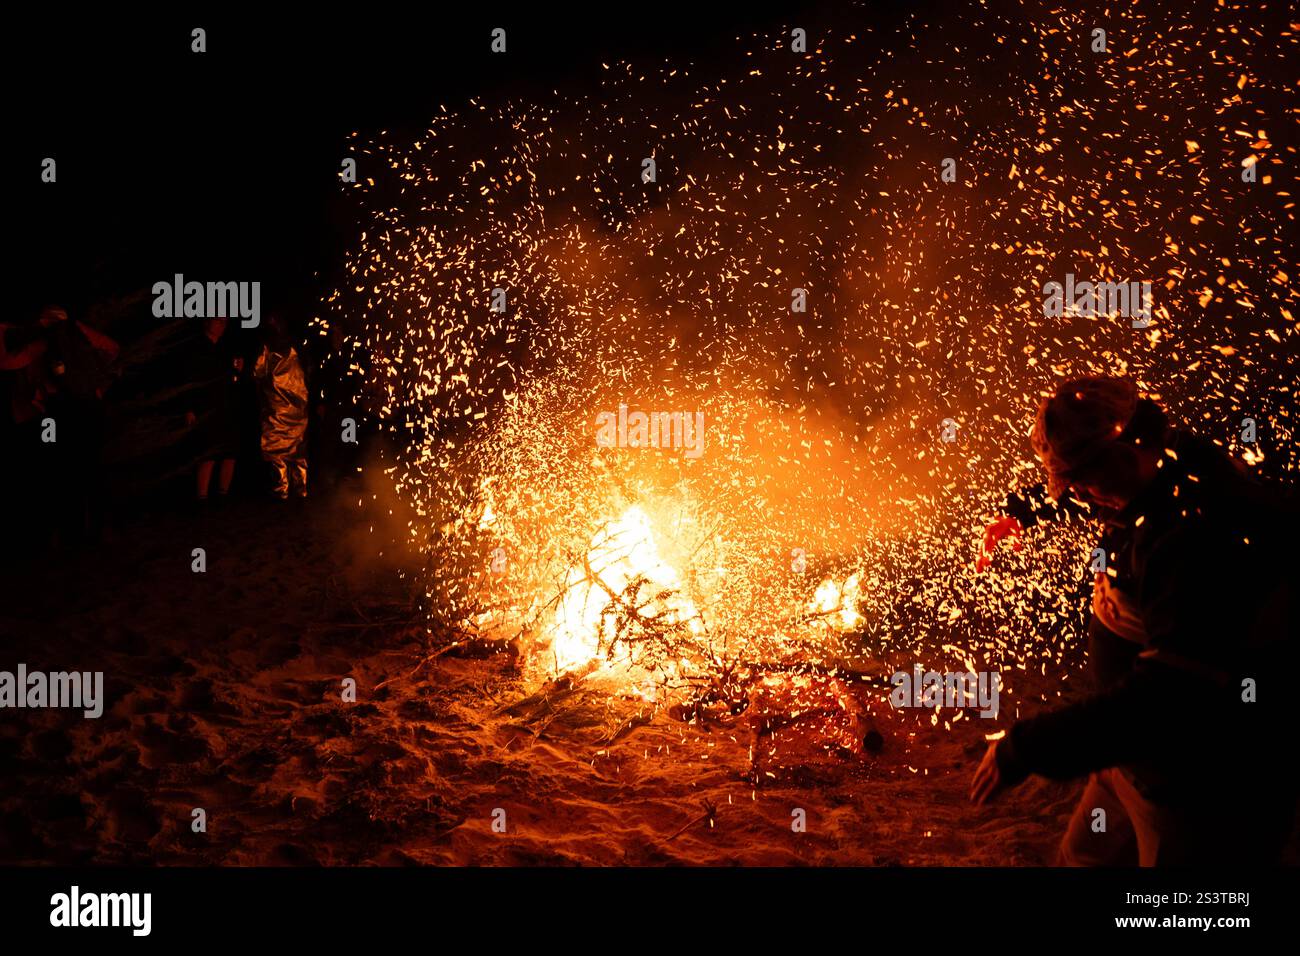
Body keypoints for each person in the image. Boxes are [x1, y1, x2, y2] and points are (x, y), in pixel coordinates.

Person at [970, 375, 1298, 865]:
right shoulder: (1157, 461)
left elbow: (1165, 698)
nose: (1083, 496)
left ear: (1120, 456)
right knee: (1082, 858)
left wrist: (1025, 747)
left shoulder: (1190, 535)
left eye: (1084, 481)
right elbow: (1091, 490)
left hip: (1195, 785)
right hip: (1127, 761)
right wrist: (1021, 513)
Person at [183, 317, 246, 503]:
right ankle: (202, 497)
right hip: (206, 407)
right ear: (208, 322)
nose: (222, 326)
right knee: (208, 453)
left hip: (227, 406)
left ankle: (223, 495)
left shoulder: (226, 348)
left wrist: (238, 371)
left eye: (225, 322)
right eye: (219, 321)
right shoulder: (197, 348)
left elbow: (233, 379)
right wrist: (189, 408)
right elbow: (189, 380)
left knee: (230, 452)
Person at [253, 313, 309, 499]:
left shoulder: (276, 348)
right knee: (284, 449)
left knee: (287, 450)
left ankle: (288, 489)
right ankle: (289, 489)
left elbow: (258, 373)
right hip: (282, 407)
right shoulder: (285, 348)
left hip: (287, 407)